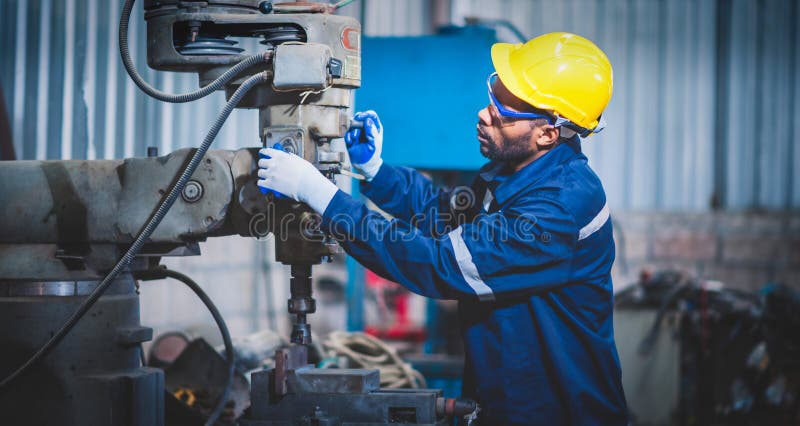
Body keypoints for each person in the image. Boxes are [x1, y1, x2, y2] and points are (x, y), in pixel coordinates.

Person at [257, 32, 628, 425]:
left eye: (505, 110)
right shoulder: (515, 172)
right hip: (506, 393)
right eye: (494, 96)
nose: (485, 114)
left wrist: (322, 196)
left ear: (548, 133)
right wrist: (377, 173)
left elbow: (440, 266)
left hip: (557, 409)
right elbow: (446, 214)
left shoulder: (558, 207)